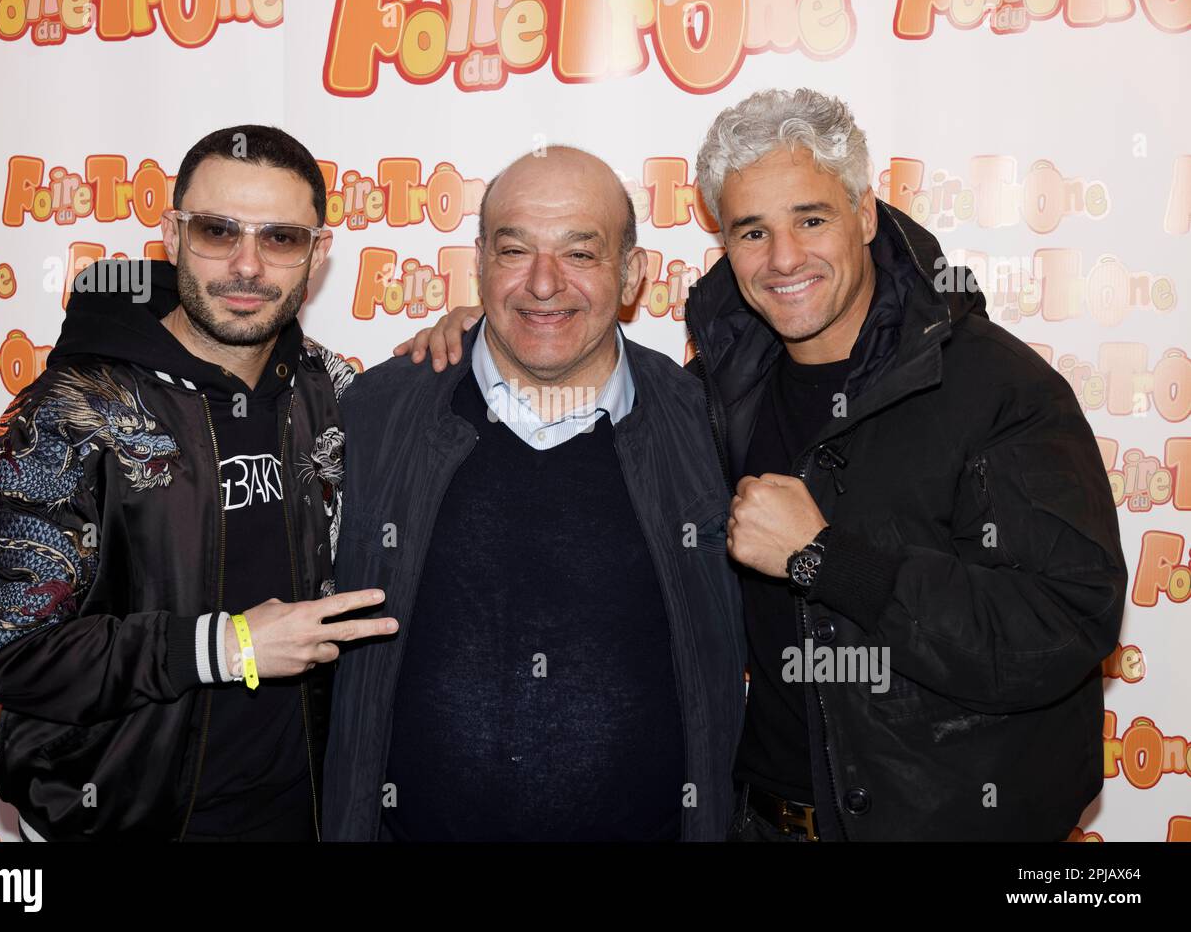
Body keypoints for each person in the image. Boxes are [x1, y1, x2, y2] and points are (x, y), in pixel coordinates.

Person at [398, 89, 1127, 841]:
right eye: (752, 231)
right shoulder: (716, 389)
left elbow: (1064, 624)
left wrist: (827, 558)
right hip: (759, 821)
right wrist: (482, 341)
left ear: (866, 215)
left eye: (811, 219)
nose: (783, 258)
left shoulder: (996, 388)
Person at [0, 125, 396, 841]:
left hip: (307, 816)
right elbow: (3, 655)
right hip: (129, 821)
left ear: (317, 255)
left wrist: (468, 338)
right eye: (218, 231)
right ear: (170, 234)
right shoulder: (73, 411)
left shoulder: (326, 388)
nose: (247, 265)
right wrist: (226, 646)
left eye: (282, 238)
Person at [319, 146, 746, 841]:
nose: (544, 284)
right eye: (516, 251)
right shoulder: (376, 413)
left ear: (632, 273)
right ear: (480, 263)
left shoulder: (707, 424)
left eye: (581, 254)